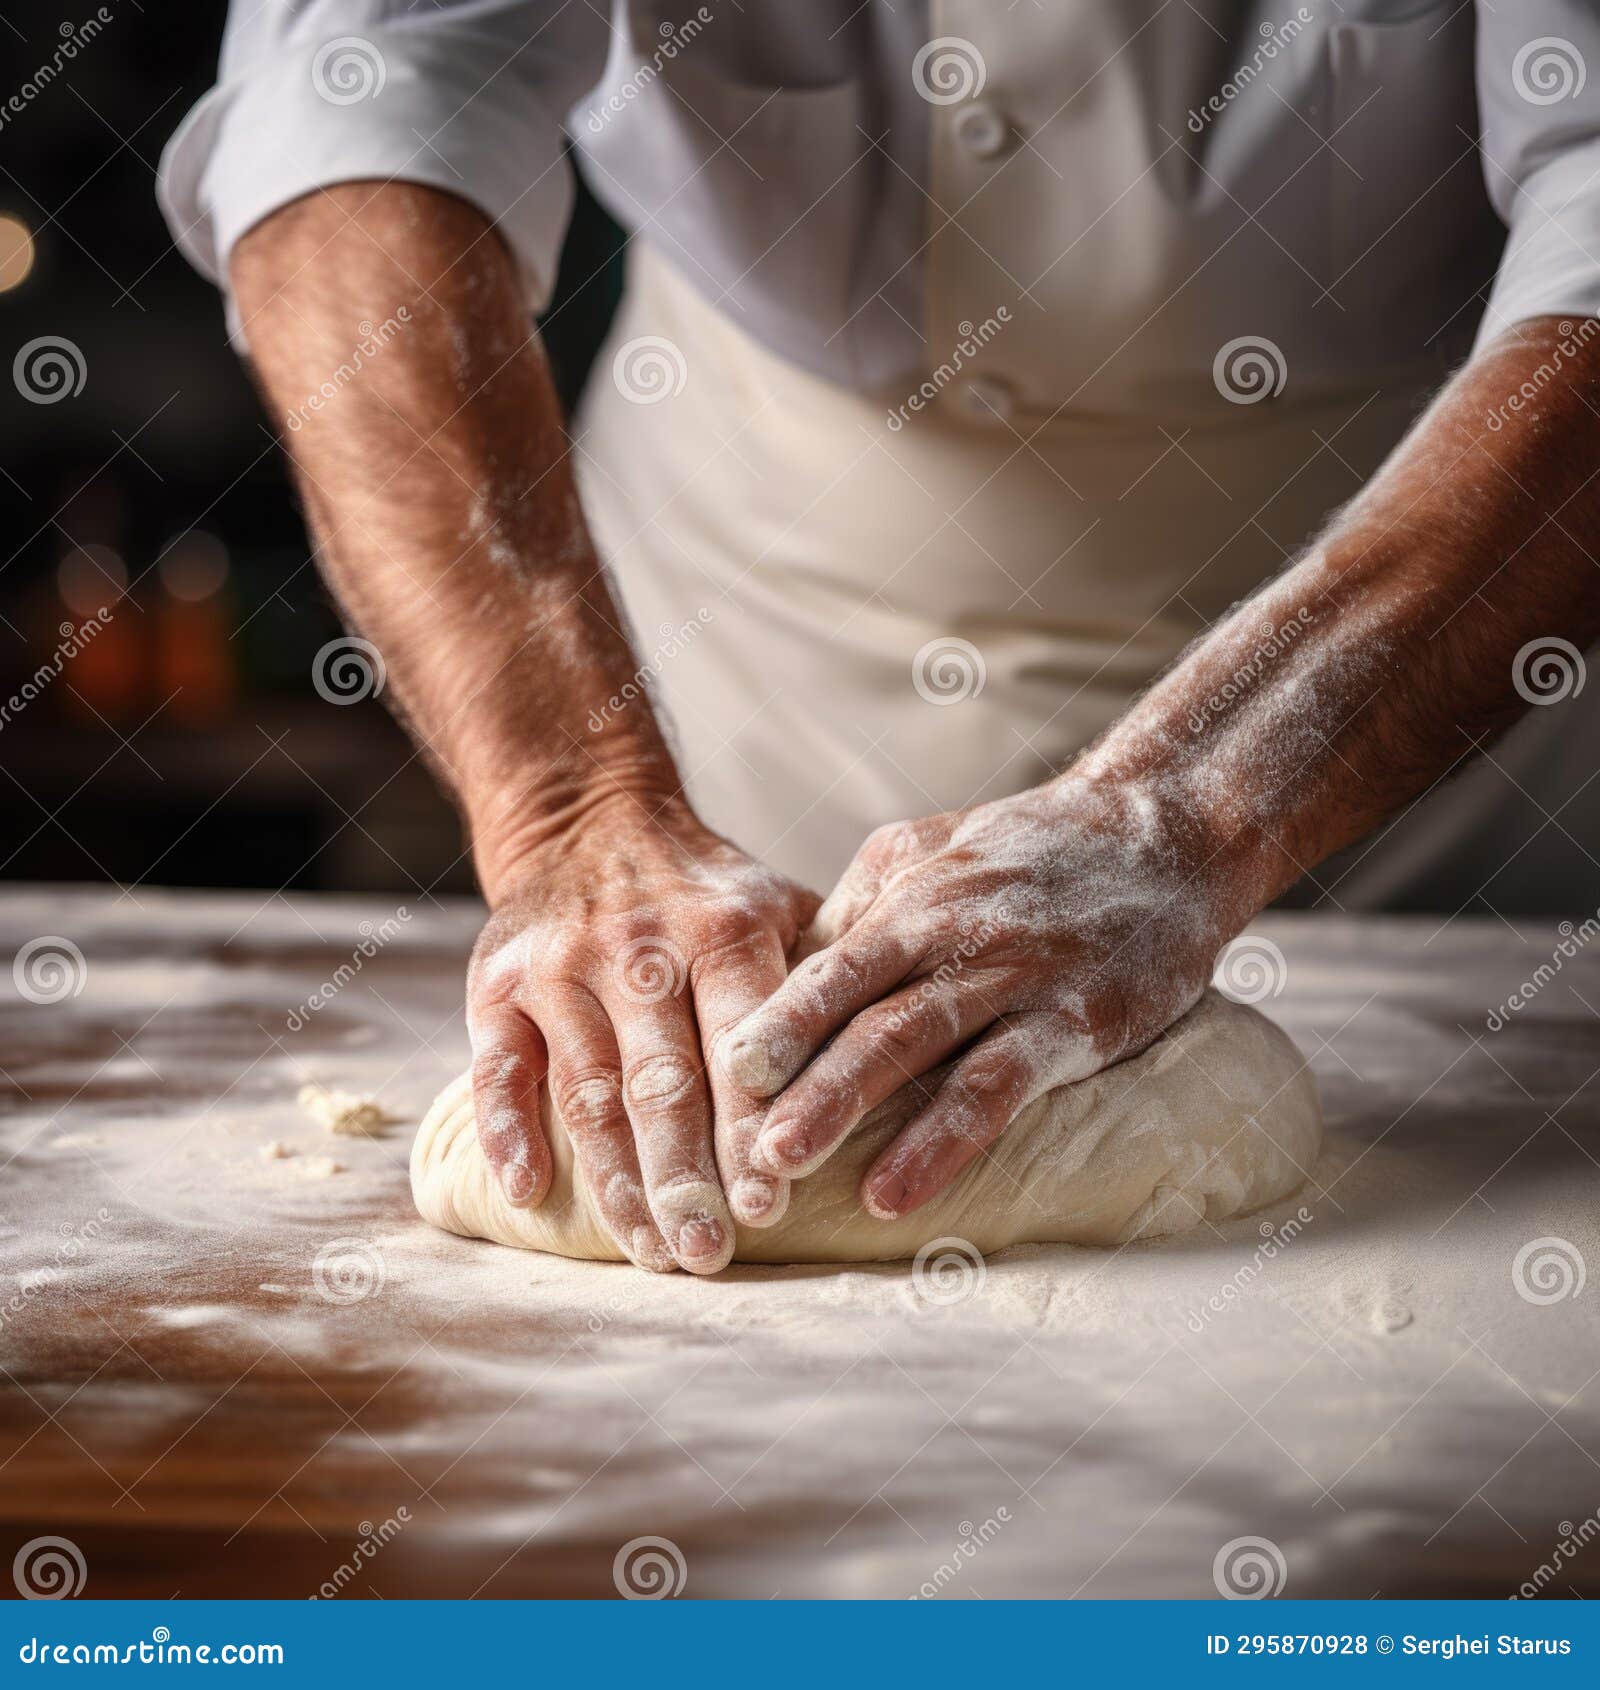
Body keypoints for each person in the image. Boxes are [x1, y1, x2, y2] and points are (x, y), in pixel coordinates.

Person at [161, 3, 1600, 1274]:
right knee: (696, 1081)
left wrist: (1195, 805)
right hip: (751, 630)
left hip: (1435, 653)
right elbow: (349, 129)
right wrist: (574, 805)